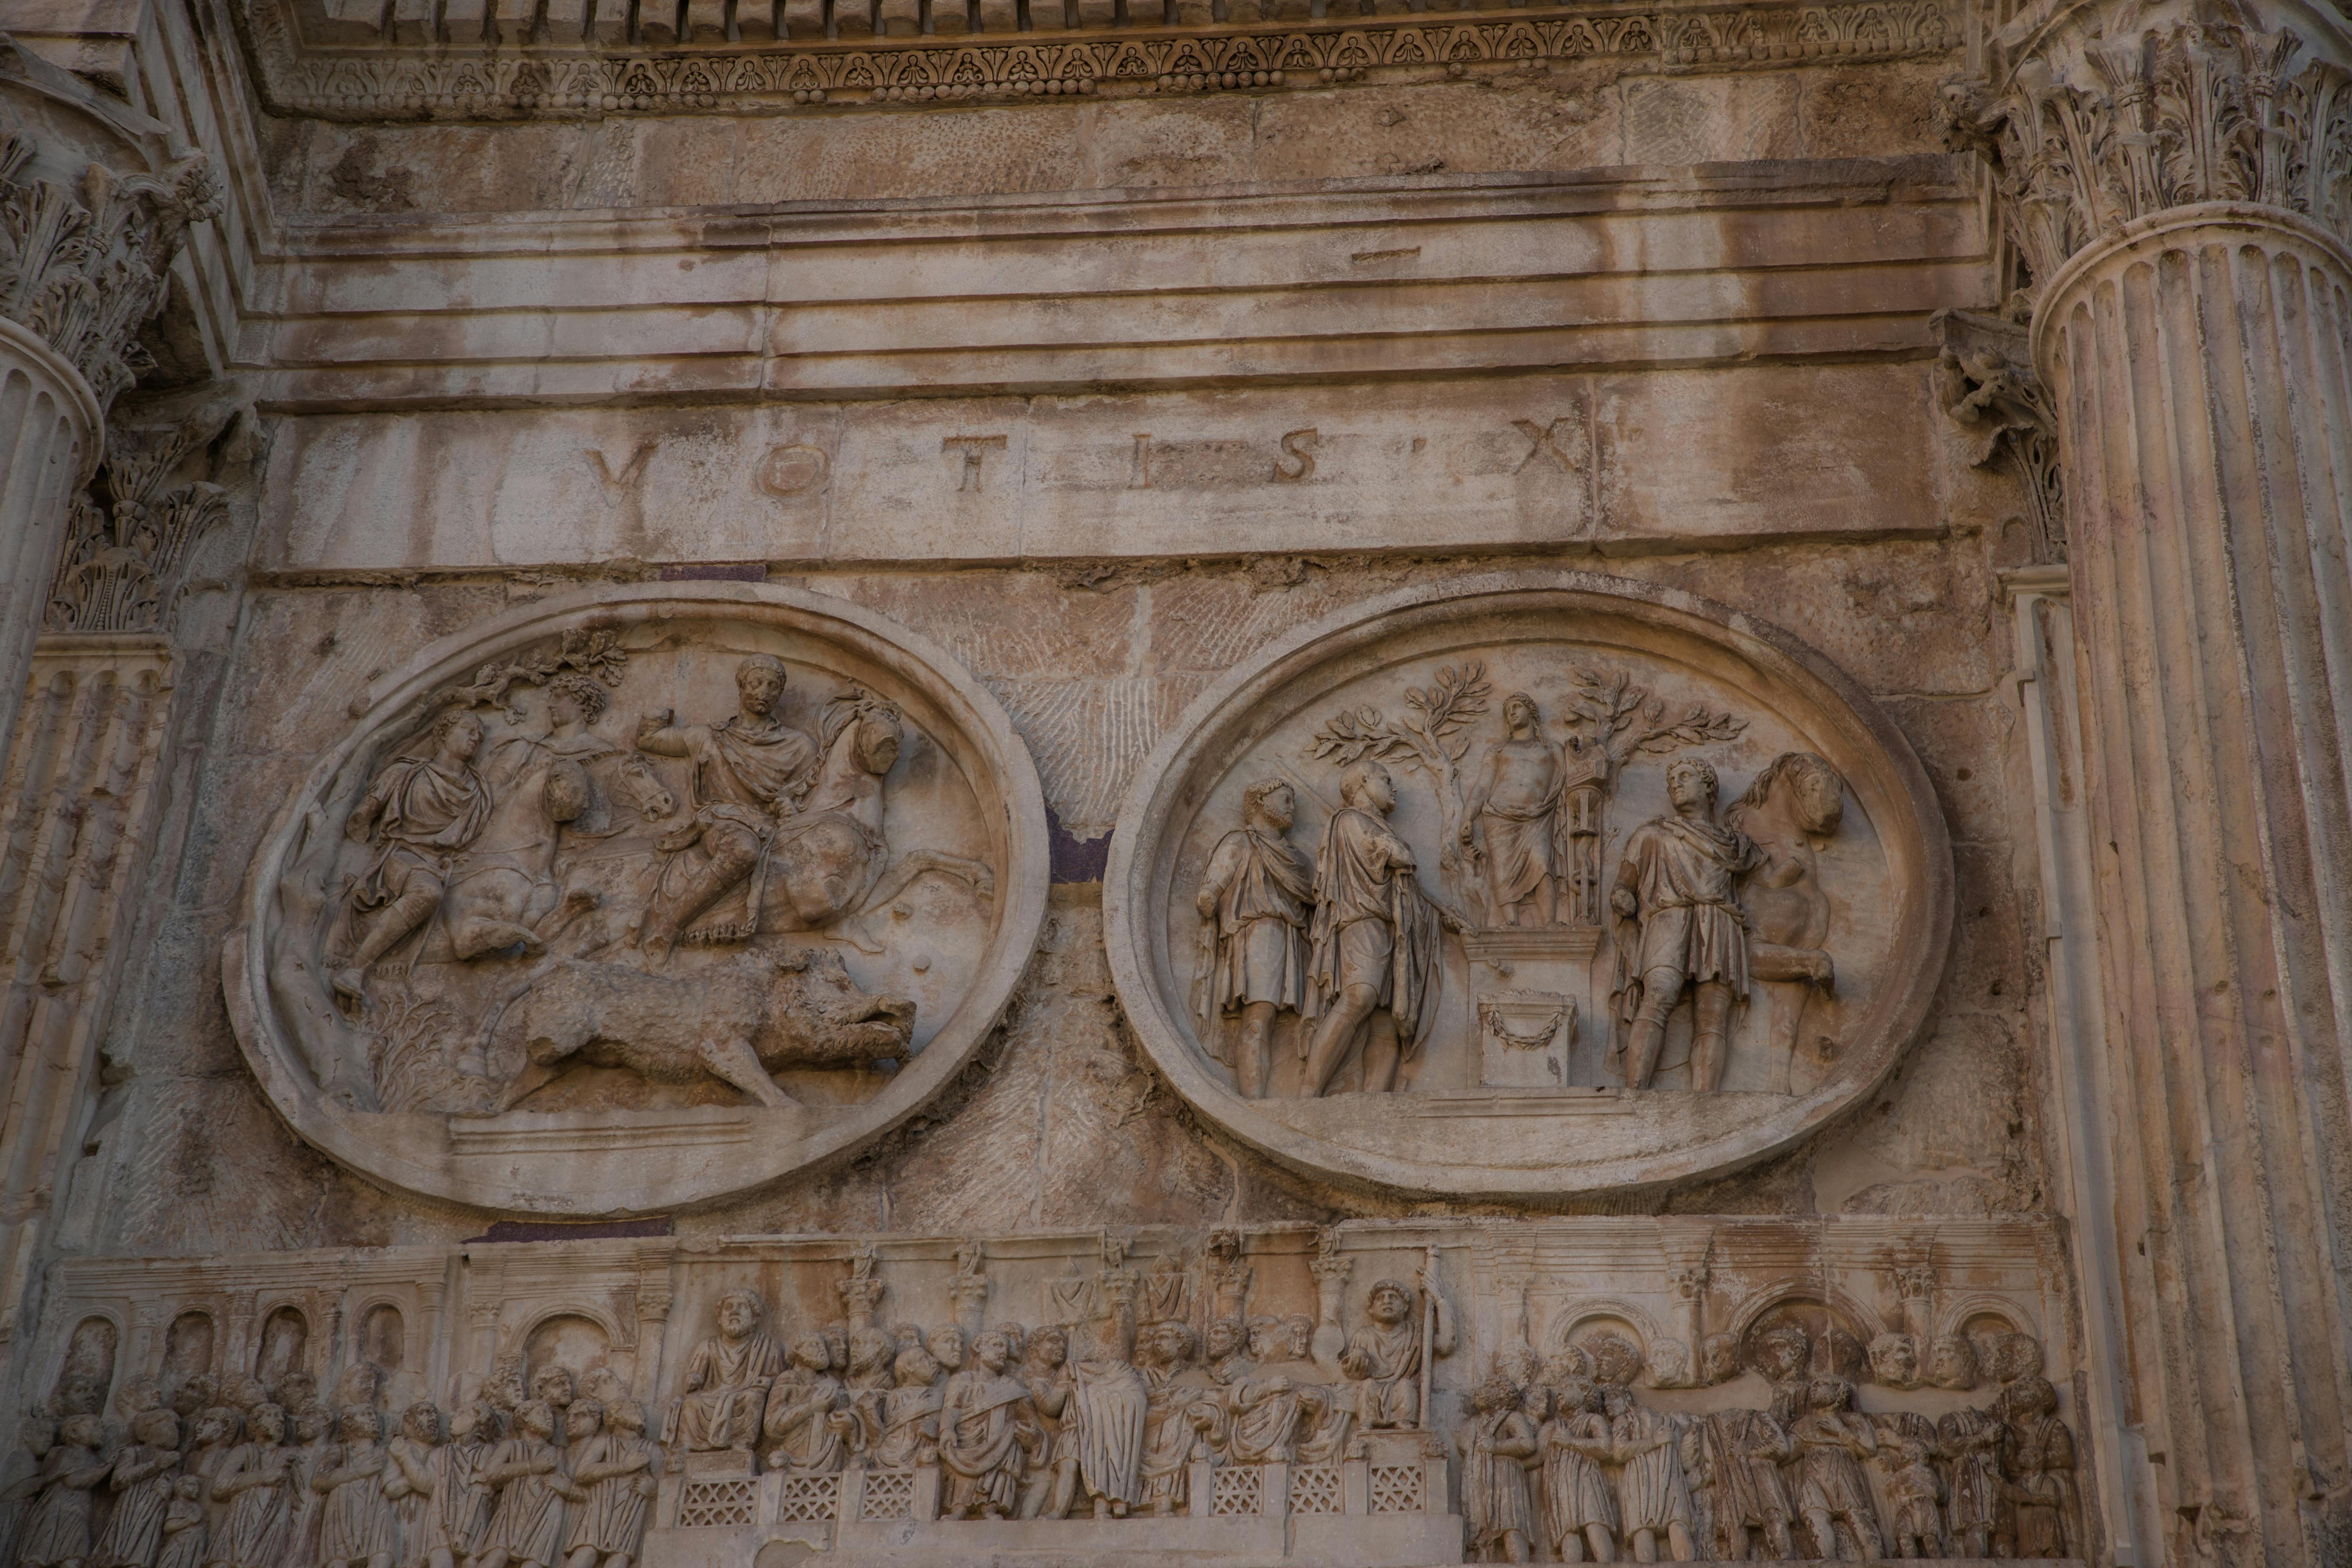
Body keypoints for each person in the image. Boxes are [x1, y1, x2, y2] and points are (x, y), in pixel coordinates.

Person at [632, 654, 821, 959]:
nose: (765, 692)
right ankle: (666, 930)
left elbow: (810, 795)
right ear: (741, 686)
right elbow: (648, 739)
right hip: (724, 821)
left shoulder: (799, 746)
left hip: (773, 827)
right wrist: (658, 707)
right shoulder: (708, 738)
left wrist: (790, 806)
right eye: (757, 683)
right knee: (743, 850)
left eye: (774, 686)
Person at [1608, 756, 1763, 1091]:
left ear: (1708, 785)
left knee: (1713, 1015)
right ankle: (1635, 1093)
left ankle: (1705, 1102)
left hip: (1719, 921)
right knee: (1660, 995)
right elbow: (1624, 883)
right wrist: (1622, 896)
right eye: (1671, 781)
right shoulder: (1652, 834)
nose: (1675, 784)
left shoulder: (1734, 845)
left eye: (1684, 776)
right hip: (1669, 918)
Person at [1302, 761, 1455, 1097]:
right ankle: (1308, 1094)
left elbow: (1408, 887)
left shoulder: (1375, 825)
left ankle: (1374, 1101)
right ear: (1363, 782)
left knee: (1388, 1021)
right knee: (1361, 996)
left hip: (1394, 928)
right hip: (1362, 921)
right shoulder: (1350, 820)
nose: (1393, 787)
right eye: (1386, 780)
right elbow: (1396, 854)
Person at [331, 708, 500, 1001]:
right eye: (468, 729)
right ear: (444, 733)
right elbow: (359, 822)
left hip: (445, 863)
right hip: (402, 856)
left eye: (480, 734)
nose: (476, 737)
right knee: (428, 894)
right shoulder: (405, 773)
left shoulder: (479, 791)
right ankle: (356, 969)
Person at [1193, 781, 1314, 1098]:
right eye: (1285, 799)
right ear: (1261, 800)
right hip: (1258, 933)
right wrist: (1209, 895)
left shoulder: (1297, 859)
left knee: (1275, 1021)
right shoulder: (1241, 842)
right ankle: (1255, 1101)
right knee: (1259, 1018)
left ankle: (1268, 1096)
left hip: (1292, 939)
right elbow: (1213, 887)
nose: (1292, 808)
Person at [1459, 694, 1565, 926]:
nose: (1512, 713)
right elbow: (1482, 787)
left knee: (1541, 863)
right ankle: (1511, 923)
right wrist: (1468, 818)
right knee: (1502, 870)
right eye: (1508, 711)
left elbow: (1574, 773)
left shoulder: (1552, 749)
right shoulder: (1498, 751)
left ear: (1531, 711)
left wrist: (1584, 748)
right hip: (1499, 816)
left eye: (1517, 707)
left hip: (1537, 816)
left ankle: (1551, 923)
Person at [938, 1328, 1039, 1521]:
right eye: (997, 1346)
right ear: (980, 1349)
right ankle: (959, 1509)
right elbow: (952, 1408)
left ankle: (991, 1508)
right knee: (961, 1452)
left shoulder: (1012, 1386)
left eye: (1005, 1349)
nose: (1003, 1352)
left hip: (1002, 1441)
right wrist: (946, 1430)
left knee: (1008, 1449)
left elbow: (1030, 1419)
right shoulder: (963, 1380)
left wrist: (1030, 1432)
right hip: (969, 1436)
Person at [670, 1290, 783, 1453]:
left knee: (754, 1399)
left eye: (742, 1307)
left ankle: (742, 1443)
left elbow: (779, 1381)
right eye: (728, 1308)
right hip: (713, 1395)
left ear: (755, 1318)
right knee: (691, 1404)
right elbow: (693, 1375)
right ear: (720, 1319)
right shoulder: (707, 1346)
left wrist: (768, 1382)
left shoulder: (768, 1346)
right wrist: (693, 1379)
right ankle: (687, 1446)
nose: (734, 1312)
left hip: (745, 1395)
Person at [1338, 1274, 1454, 1431]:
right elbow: (1354, 1374)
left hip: (1402, 1388)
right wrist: (1358, 1360)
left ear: (1405, 1307)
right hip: (1372, 1388)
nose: (1387, 1301)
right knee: (1368, 1386)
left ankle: (1404, 1423)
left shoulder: (1416, 1333)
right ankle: (1366, 1423)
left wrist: (1440, 1301)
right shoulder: (1363, 1335)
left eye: (1393, 1297)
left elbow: (1446, 1345)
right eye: (1380, 1298)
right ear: (1371, 1309)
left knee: (1406, 1386)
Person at [1790, 1378, 1883, 1561]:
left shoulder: (1852, 1420)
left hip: (1844, 1474)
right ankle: (1827, 1561)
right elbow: (1788, 1452)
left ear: (1840, 1392)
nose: (1816, 1386)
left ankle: (1877, 1562)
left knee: (1858, 1517)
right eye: (1815, 1385)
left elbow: (1869, 1449)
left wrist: (1842, 1432)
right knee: (1815, 1516)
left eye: (1825, 1383)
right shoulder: (1805, 1424)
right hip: (1813, 1479)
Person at [473, 1401, 570, 1568]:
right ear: (525, 1417)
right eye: (542, 1413)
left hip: (544, 1512)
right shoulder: (511, 1446)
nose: (549, 1419)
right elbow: (492, 1473)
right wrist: (531, 1467)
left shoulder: (558, 1453)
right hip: (512, 1509)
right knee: (496, 1556)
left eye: (552, 1417)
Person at [560, 1400, 657, 1568]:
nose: (641, 1413)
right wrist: (623, 1467)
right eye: (633, 1408)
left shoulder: (650, 1449)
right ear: (616, 1415)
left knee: (619, 1558)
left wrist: (651, 1489)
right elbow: (582, 1474)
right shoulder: (604, 1443)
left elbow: (662, 1481)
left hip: (631, 1512)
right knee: (586, 1552)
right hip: (599, 1509)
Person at [1607, 1388, 1695, 1564]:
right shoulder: (1670, 1422)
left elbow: (1619, 1452)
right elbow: (1687, 1462)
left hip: (1641, 1479)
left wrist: (1653, 1442)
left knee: (1647, 1528)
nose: (1608, 1405)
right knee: (1670, 1524)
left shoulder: (1623, 1420)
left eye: (1612, 1398)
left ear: (1625, 1398)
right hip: (1669, 1477)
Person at [1538, 1377, 1619, 1564]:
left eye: (1567, 1387)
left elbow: (1606, 1448)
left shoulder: (1593, 1420)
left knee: (1595, 1524)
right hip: (1559, 1484)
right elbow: (1535, 1456)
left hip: (1586, 1480)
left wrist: (1571, 1442)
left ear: (1584, 1391)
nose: (1559, 1393)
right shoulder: (1554, 1427)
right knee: (1568, 1532)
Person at [1461, 1377, 1537, 1563]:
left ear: (1502, 1394)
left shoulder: (1512, 1417)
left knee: (1512, 1526)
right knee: (1484, 1533)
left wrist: (1495, 1446)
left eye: (1488, 1387)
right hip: (1481, 1482)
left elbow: (1528, 1444)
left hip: (1507, 1478)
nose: (1480, 1390)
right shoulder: (1475, 1423)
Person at [2000, 1377, 2077, 1559]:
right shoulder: (2010, 1429)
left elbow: (2065, 1457)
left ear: (2039, 1397)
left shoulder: (2053, 1427)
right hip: (2023, 1492)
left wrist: (2035, 1459)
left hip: (2046, 1487)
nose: (2018, 1390)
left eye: (2025, 1387)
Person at [93, 1407, 181, 1568]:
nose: (174, 1430)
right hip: (130, 1508)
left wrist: (167, 1490)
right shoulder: (133, 1452)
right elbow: (118, 1481)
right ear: (149, 1429)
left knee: (141, 1555)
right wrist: (156, 1465)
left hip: (154, 1512)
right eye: (167, 1423)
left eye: (175, 1426)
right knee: (119, 1550)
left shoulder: (173, 1461)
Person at [314, 1406, 395, 1568]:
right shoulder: (340, 1451)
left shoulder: (385, 1453)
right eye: (365, 1415)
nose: (373, 1419)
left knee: (381, 1554)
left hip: (376, 1507)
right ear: (348, 1422)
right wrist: (359, 1471)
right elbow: (319, 1480)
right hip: (343, 1508)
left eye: (373, 1415)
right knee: (338, 1560)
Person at [760, 1334, 850, 1477]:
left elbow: (847, 1419)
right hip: (791, 1459)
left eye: (823, 1347)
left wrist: (846, 1424)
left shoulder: (833, 1385)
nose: (822, 1350)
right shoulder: (787, 1380)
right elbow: (773, 1426)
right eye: (814, 1345)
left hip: (830, 1457)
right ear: (797, 1350)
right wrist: (811, 1408)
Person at [1883, 1436, 1945, 1559]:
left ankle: (1939, 1563)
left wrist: (1918, 1488)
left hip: (1925, 1507)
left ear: (1917, 1453)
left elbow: (1940, 1494)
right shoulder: (1900, 1474)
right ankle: (1909, 1562)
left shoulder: (1926, 1472)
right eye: (1902, 1451)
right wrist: (1887, 1471)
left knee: (1930, 1540)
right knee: (1904, 1537)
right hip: (1905, 1509)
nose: (1903, 1454)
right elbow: (1889, 1488)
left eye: (1907, 1450)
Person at [153, 1477, 208, 1568]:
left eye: (198, 1487)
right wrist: (189, 1521)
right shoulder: (178, 1504)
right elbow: (168, 1527)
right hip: (179, 1545)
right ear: (180, 1487)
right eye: (192, 1485)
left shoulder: (198, 1507)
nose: (197, 1489)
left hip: (195, 1548)